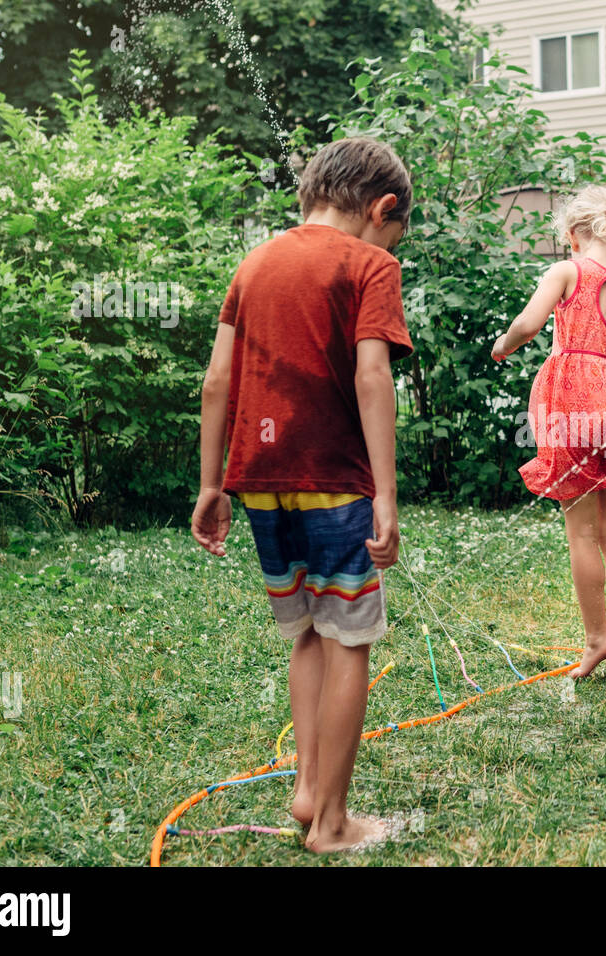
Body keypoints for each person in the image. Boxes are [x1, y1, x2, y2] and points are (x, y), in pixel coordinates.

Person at [191, 137, 413, 852]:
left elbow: (217, 382)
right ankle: (333, 824)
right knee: (350, 641)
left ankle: (309, 790)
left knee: (310, 634)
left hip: (261, 483)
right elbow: (372, 378)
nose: (389, 244)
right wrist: (385, 493)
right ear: (382, 208)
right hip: (334, 481)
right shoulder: (371, 266)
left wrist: (212, 484)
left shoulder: (254, 262)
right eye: (393, 231)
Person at [491, 185, 606, 679]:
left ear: (574, 234)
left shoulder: (568, 271)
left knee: (582, 533)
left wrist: (503, 345)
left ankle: (596, 639)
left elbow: (528, 324)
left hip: (571, 406)